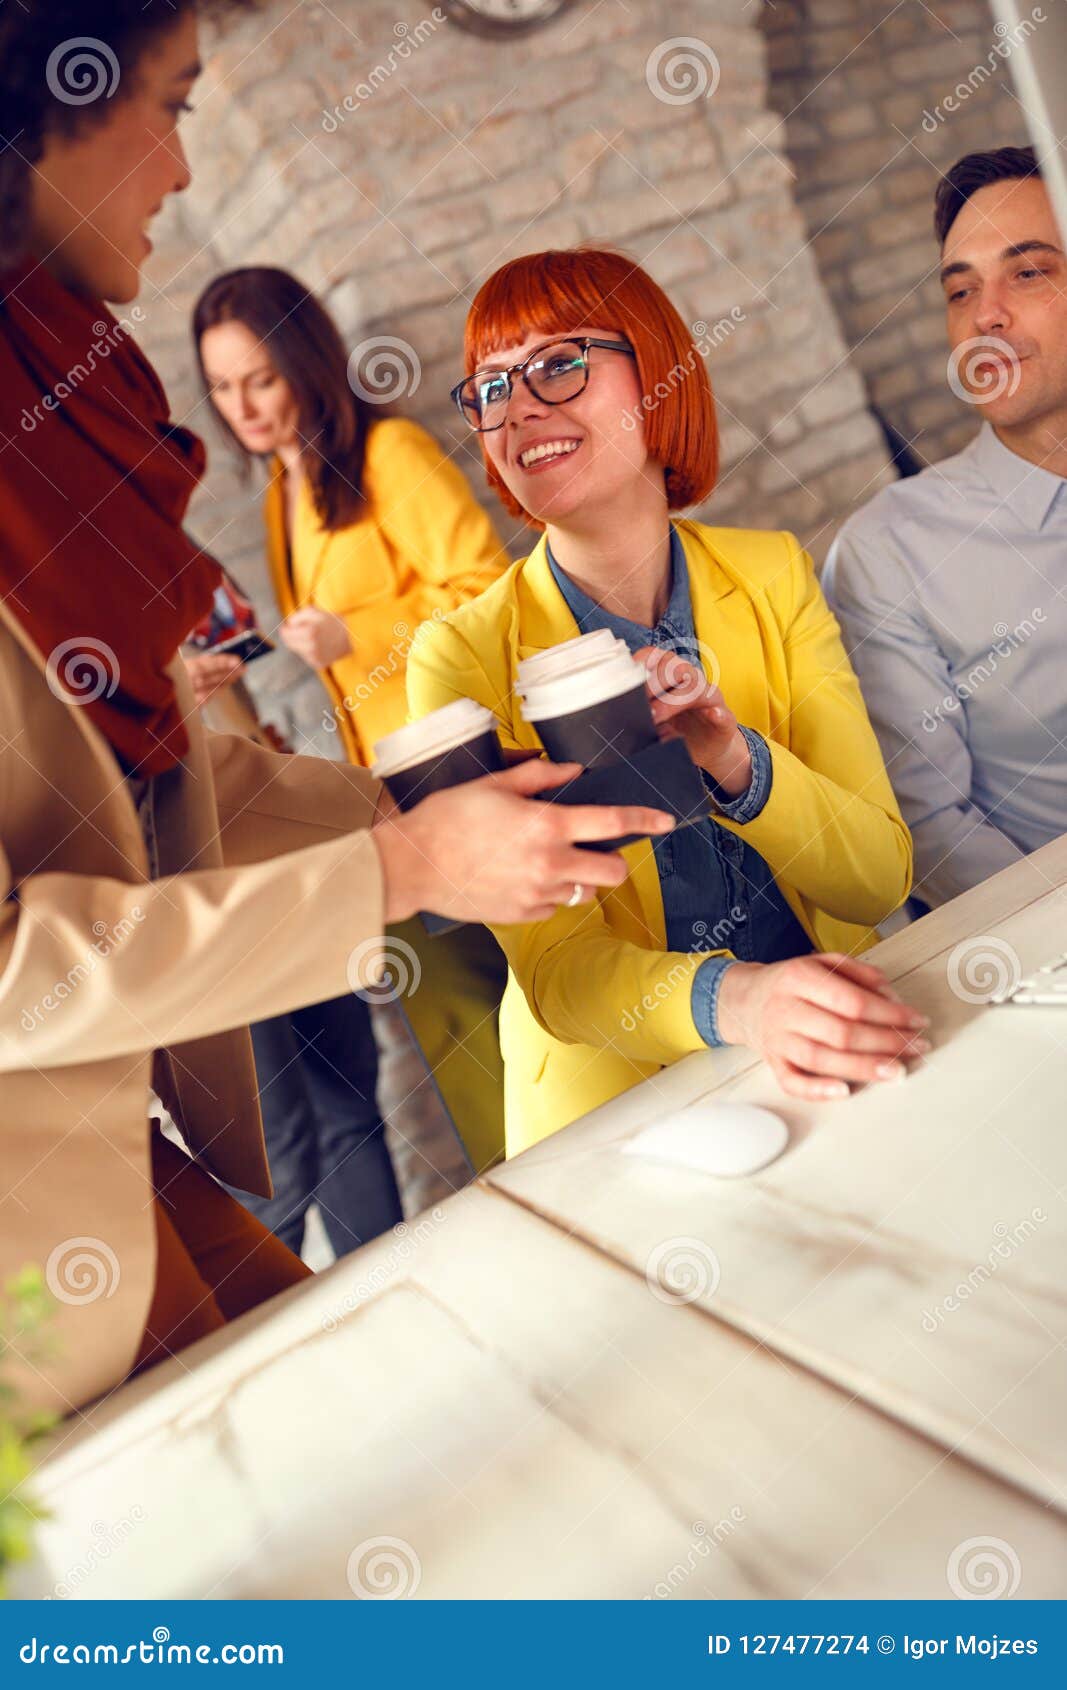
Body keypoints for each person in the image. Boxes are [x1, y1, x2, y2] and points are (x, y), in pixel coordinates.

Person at [0, 2, 671, 1415]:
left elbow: (143, 788)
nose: (180, 168)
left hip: (111, 1161)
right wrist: (406, 861)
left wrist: (403, 808)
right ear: (44, 103)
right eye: (171, 104)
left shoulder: (65, 421)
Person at [407, 247, 928, 1155]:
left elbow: (878, 876)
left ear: (658, 376)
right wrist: (746, 999)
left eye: (560, 363)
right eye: (489, 387)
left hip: (834, 1036)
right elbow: (560, 973)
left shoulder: (770, 574)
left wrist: (734, 761)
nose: (520, 406)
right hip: (627, 1120)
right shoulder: (460, 657)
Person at [192, 268, 511, 1173]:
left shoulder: (390, 454)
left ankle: (565, 1170)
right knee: (449, 1009)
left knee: (492, 995)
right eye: (222, 387)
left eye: (259, 378)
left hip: (462, 767)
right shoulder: (278, 498)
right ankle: (528, 1187)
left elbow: (490, 586)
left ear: (305, 361)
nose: (243, 407)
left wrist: (357, 631)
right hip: (384, 791)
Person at [824, 147, 1067, 910]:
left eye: (1026, 272)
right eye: (960, 290)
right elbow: (932, 832)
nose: (984, 313)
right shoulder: (888, 551)